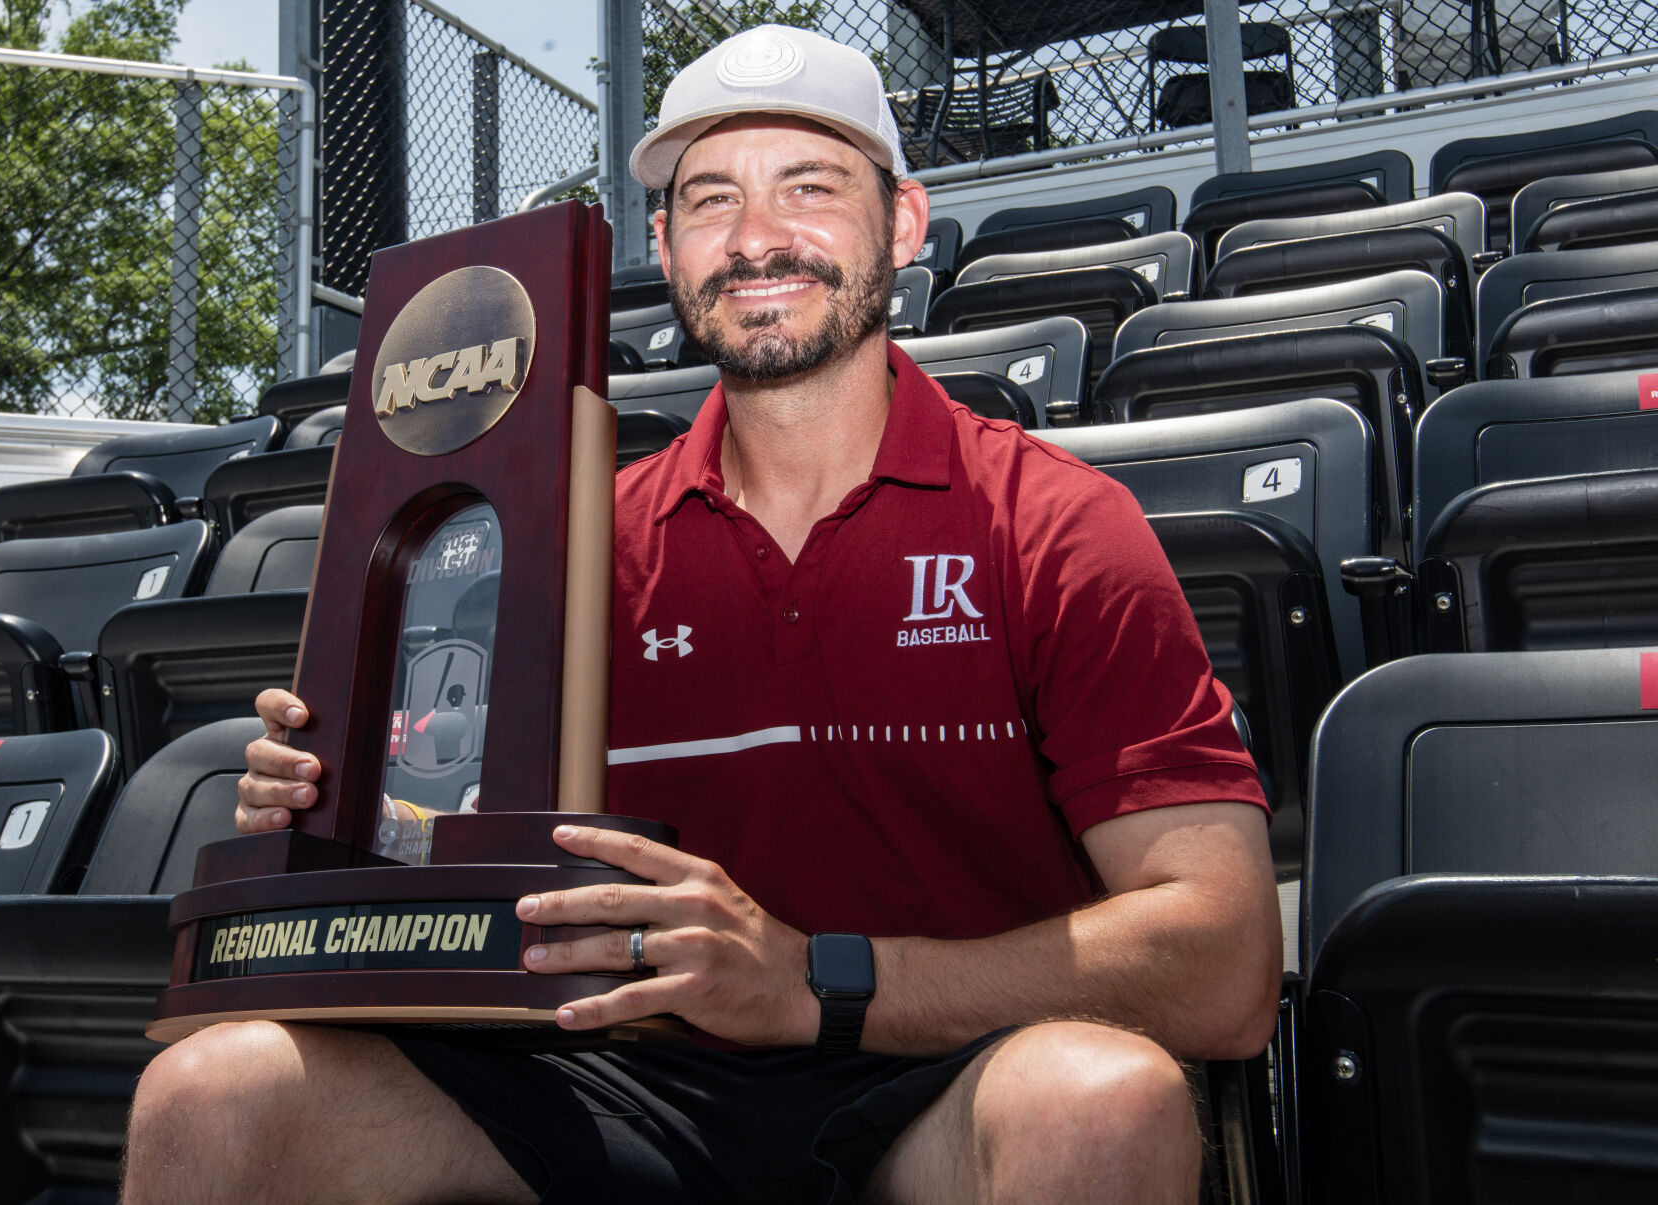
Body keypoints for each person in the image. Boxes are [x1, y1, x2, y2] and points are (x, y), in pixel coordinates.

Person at [121, 24, 1281, 1205]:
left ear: (906, 221)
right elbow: (449, 868)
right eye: (711, 199)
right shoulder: (570, 543)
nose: (758, 238)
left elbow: (1223, 959)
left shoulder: (1053, 522)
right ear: (666, 245)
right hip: (610, 1074)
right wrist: (339, 805)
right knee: (216, 1092)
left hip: (940, 1076)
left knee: (1101, 1095)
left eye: (811, 188)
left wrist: (814, 980)